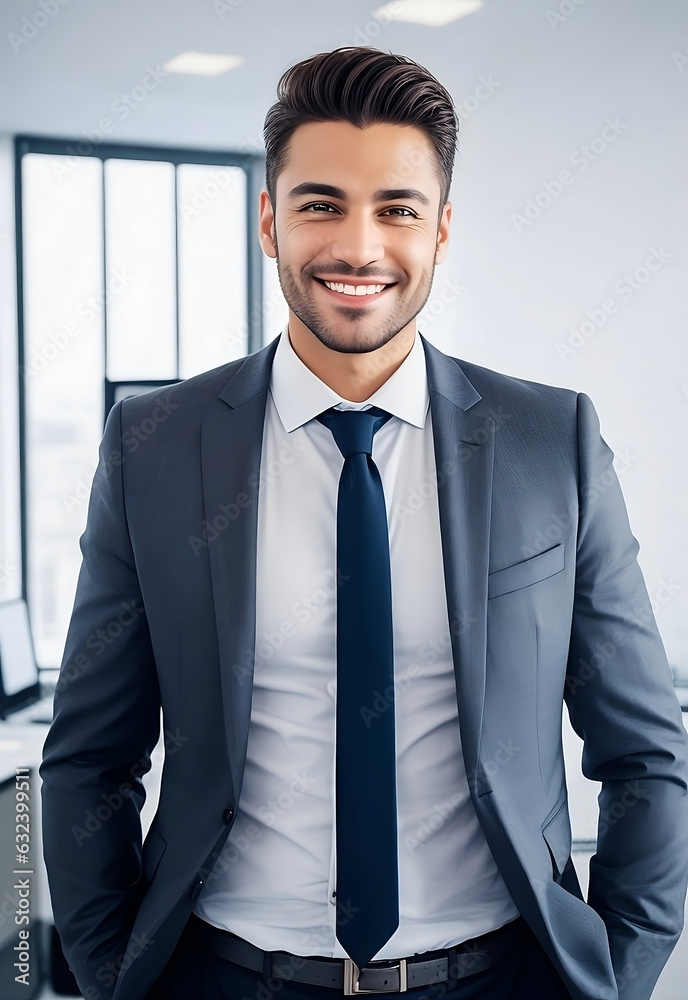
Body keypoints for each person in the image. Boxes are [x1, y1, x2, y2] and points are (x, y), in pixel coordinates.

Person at [40, 46, 688, 1000]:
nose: (359, 247)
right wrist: (108, 974)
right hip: (225, 976)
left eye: (397, 210)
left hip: (500, 976)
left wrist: (617, 977)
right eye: (320, 205)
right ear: (270, 221)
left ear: (442, 230)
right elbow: (88, 759)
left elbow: (645, 754)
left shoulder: (551, 441)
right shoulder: (155, 445)